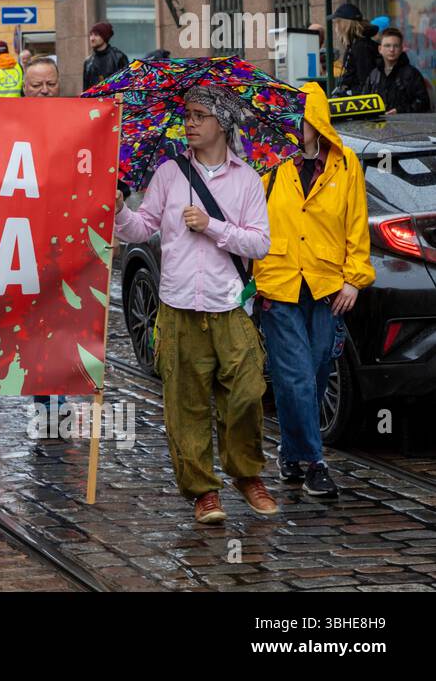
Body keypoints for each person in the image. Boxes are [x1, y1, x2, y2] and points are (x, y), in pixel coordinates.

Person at [114, 85, 275, 524]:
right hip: (179, 303)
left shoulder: (246, 179)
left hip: (229, 304)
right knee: (185, 403)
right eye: (188, 114)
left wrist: (212, 226)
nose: (190, 122)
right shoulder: (169, 174)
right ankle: (203, 490)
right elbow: (140, 226)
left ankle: (245, 472)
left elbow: (260, 243)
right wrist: (116, 211)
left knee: (246, 392)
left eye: (200, 115)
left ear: (222, 122)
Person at [255, 83, 374, 500]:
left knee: (318, 373)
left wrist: (354, 279)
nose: (294, 126)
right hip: (279, 282)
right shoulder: (270, 166)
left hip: (327, 286)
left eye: (301, 119)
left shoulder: (345, 166)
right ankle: (314, 463)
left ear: (317, 121)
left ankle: (290, 452)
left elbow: (357, 225)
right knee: (296, 376)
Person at [20, 56, 67, 434]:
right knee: (34, 326)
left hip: (63, 242)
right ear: (23, 86)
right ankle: (40, 397)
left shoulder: (76, 121)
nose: (44, 90)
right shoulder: (7, 120)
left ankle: (61, 398)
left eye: (50, 83)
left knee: (62, 321)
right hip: (20, 243)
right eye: (36, 85)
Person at [363, 27, 431, 114]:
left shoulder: (412, 74)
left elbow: (424, 103)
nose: (392, 50)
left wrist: (400, 111)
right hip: (378, 126)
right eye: (387, 45)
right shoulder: (374, 75)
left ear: (401, 49)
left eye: (396, 46)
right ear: (380, 49)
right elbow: (364, 102)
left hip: (405, 125)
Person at [330, 3, 381, 97]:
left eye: (337, 23)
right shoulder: (355, 44)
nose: (336, 28)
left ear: (344, 24)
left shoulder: (360, 46)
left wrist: (349, 93)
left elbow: (365, 81)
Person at [82, 22, 129, 91]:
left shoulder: (119, 57)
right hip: (93, 101)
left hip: (113, 100)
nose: (92, 38)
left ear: (104, 37)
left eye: (96, 35)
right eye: (91, 35)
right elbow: (85, 90)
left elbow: (126, 84)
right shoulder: (88, 61)